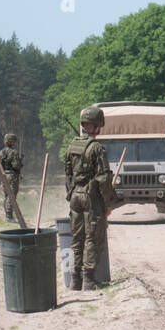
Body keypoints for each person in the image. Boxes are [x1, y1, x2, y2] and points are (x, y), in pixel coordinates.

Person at [64, 107, 119, 290]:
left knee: (76, 237)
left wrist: (71, 194)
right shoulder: (97, 148)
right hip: (90, 197)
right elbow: (103, 178)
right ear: (97, 126)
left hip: (75, 197)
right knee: (92, 237)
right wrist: (108, 203)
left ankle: (74, 280)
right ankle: (88, 280)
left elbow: (68, 175)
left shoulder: (71, 146)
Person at [0, 133, 24, 222]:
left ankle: (7, 214)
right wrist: (20, 163)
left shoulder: (1, 152)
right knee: (12, 195)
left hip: (4, 175)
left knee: (6, 195)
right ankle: (9, 216)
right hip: (12, 175)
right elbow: (16, 166)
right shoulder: (14, 152)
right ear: (12, 142)